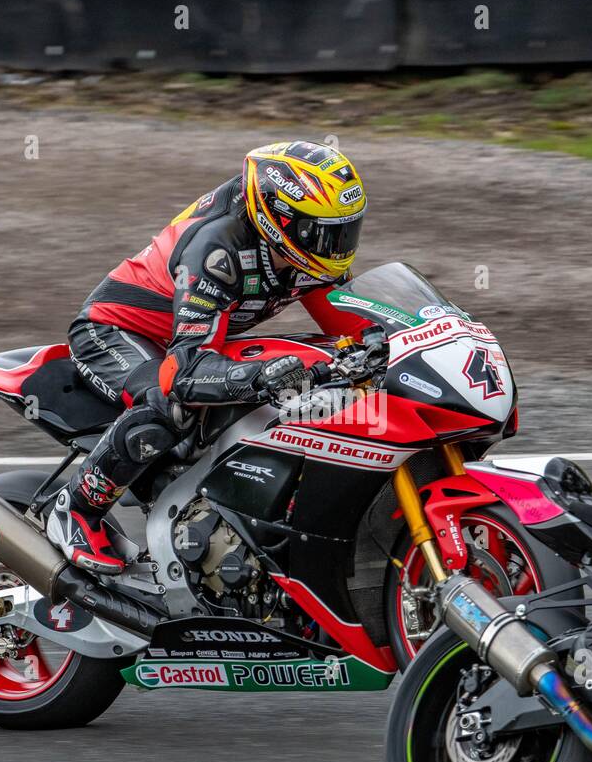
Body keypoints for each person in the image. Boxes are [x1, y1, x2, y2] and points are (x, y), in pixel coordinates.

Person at [47, 140, 370, 573]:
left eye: (345, 230)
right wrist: (260, 376)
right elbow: (184, 372)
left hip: (196, 335)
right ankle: (76, 510)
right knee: (173, 404)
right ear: (280, 220)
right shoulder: (217, 247)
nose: (336, 247)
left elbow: (355, 329)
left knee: (342, 367)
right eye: (323, 232)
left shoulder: (308, 252)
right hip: (117, 332)